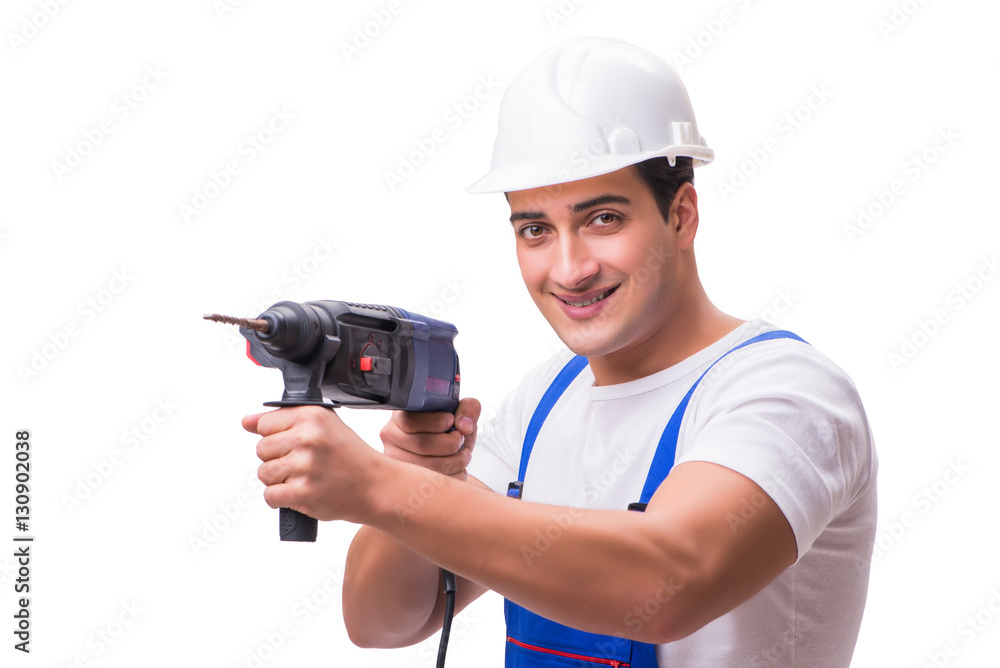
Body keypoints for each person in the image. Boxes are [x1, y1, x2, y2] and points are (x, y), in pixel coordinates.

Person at [244, 37, 878, 666]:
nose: (569, 269)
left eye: (603, 219)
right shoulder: (543, 402)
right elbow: (383, 621)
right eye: (536, 230)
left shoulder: (786, 392)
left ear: (681, 215)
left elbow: (667, 582)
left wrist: (376, 487)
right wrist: (414, 481)